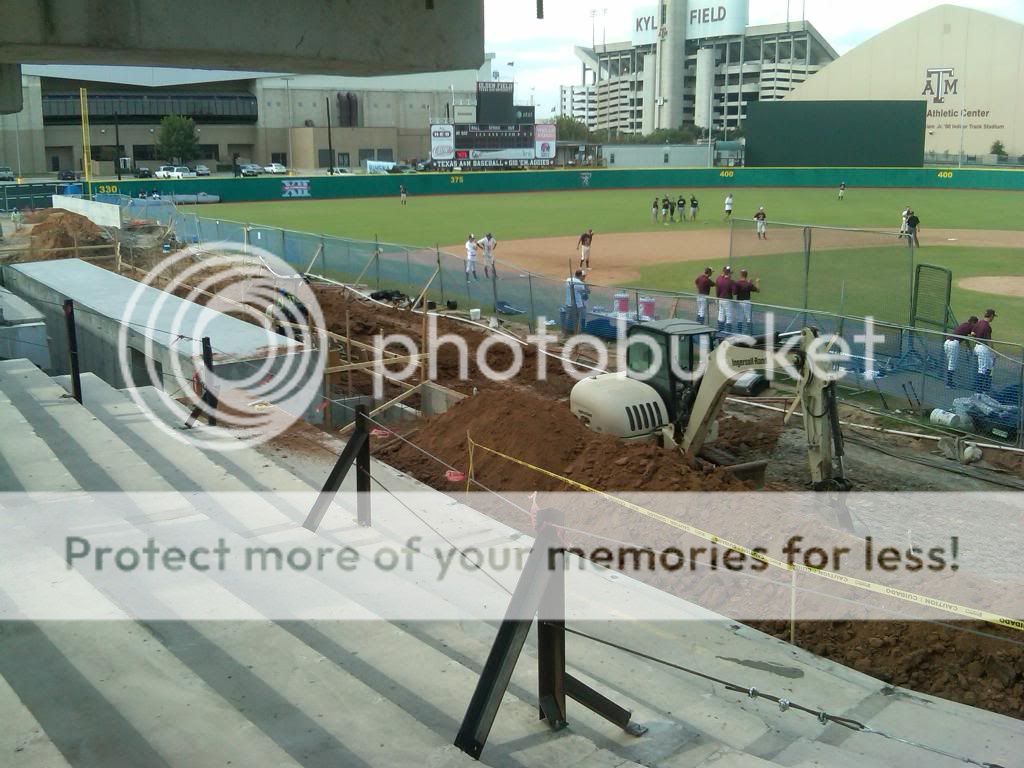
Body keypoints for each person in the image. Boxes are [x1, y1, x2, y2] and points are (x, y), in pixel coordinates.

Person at [943, 316, 977, 389]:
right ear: (973, 322)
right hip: (953, 344)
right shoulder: (971, 326)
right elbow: (973, 335)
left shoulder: (964, 324)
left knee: (950, 363)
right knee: (952, 364)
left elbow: (966, 338)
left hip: (947, 342)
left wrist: (969, 348)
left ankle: (949, 381)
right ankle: (949, 383)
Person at [972, 309, 996, 394]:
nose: (993, 318)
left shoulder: (979, 323)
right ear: (991, 316)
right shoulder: (987, 326)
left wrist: (977, 340)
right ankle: (979, 390)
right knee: (982, 369)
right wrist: (993, 351)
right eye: (993, 316)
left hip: (977, 347)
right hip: (983, 348)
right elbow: (989, 341)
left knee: (989, 365)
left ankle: (985, 388)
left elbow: (972, 333)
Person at [732, 269, 760, 335]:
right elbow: (758, 290)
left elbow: (734, 293)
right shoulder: (748, 284)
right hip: (747, 302)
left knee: (740, 319)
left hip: (739, 302)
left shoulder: (737, 283)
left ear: (740, 275)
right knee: (749, 318)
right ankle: (750, 333)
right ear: (746, 275)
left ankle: (739, 333)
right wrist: (757, 282)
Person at [564, 269, 589, 335]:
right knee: (578, 320)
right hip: (577, 305)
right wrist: (585, 284)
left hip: (568, 303)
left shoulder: (568, 280)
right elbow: (586, 293)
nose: (583, 277)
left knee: (567, 319)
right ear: (580, 275)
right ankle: (577, 335)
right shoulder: (580, 283)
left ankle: (565, 334)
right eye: (583, 276)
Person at [715, 265, 735, 334]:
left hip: (720, 299)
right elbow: (734, 292)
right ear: (729, 273)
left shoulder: (718, 279)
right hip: (728, 301)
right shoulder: (731, 281)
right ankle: (728, 334)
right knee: (729, 316)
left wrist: (718, 298)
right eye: (730, 273)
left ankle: (720, 332)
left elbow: (717, 291)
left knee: (721, 315)